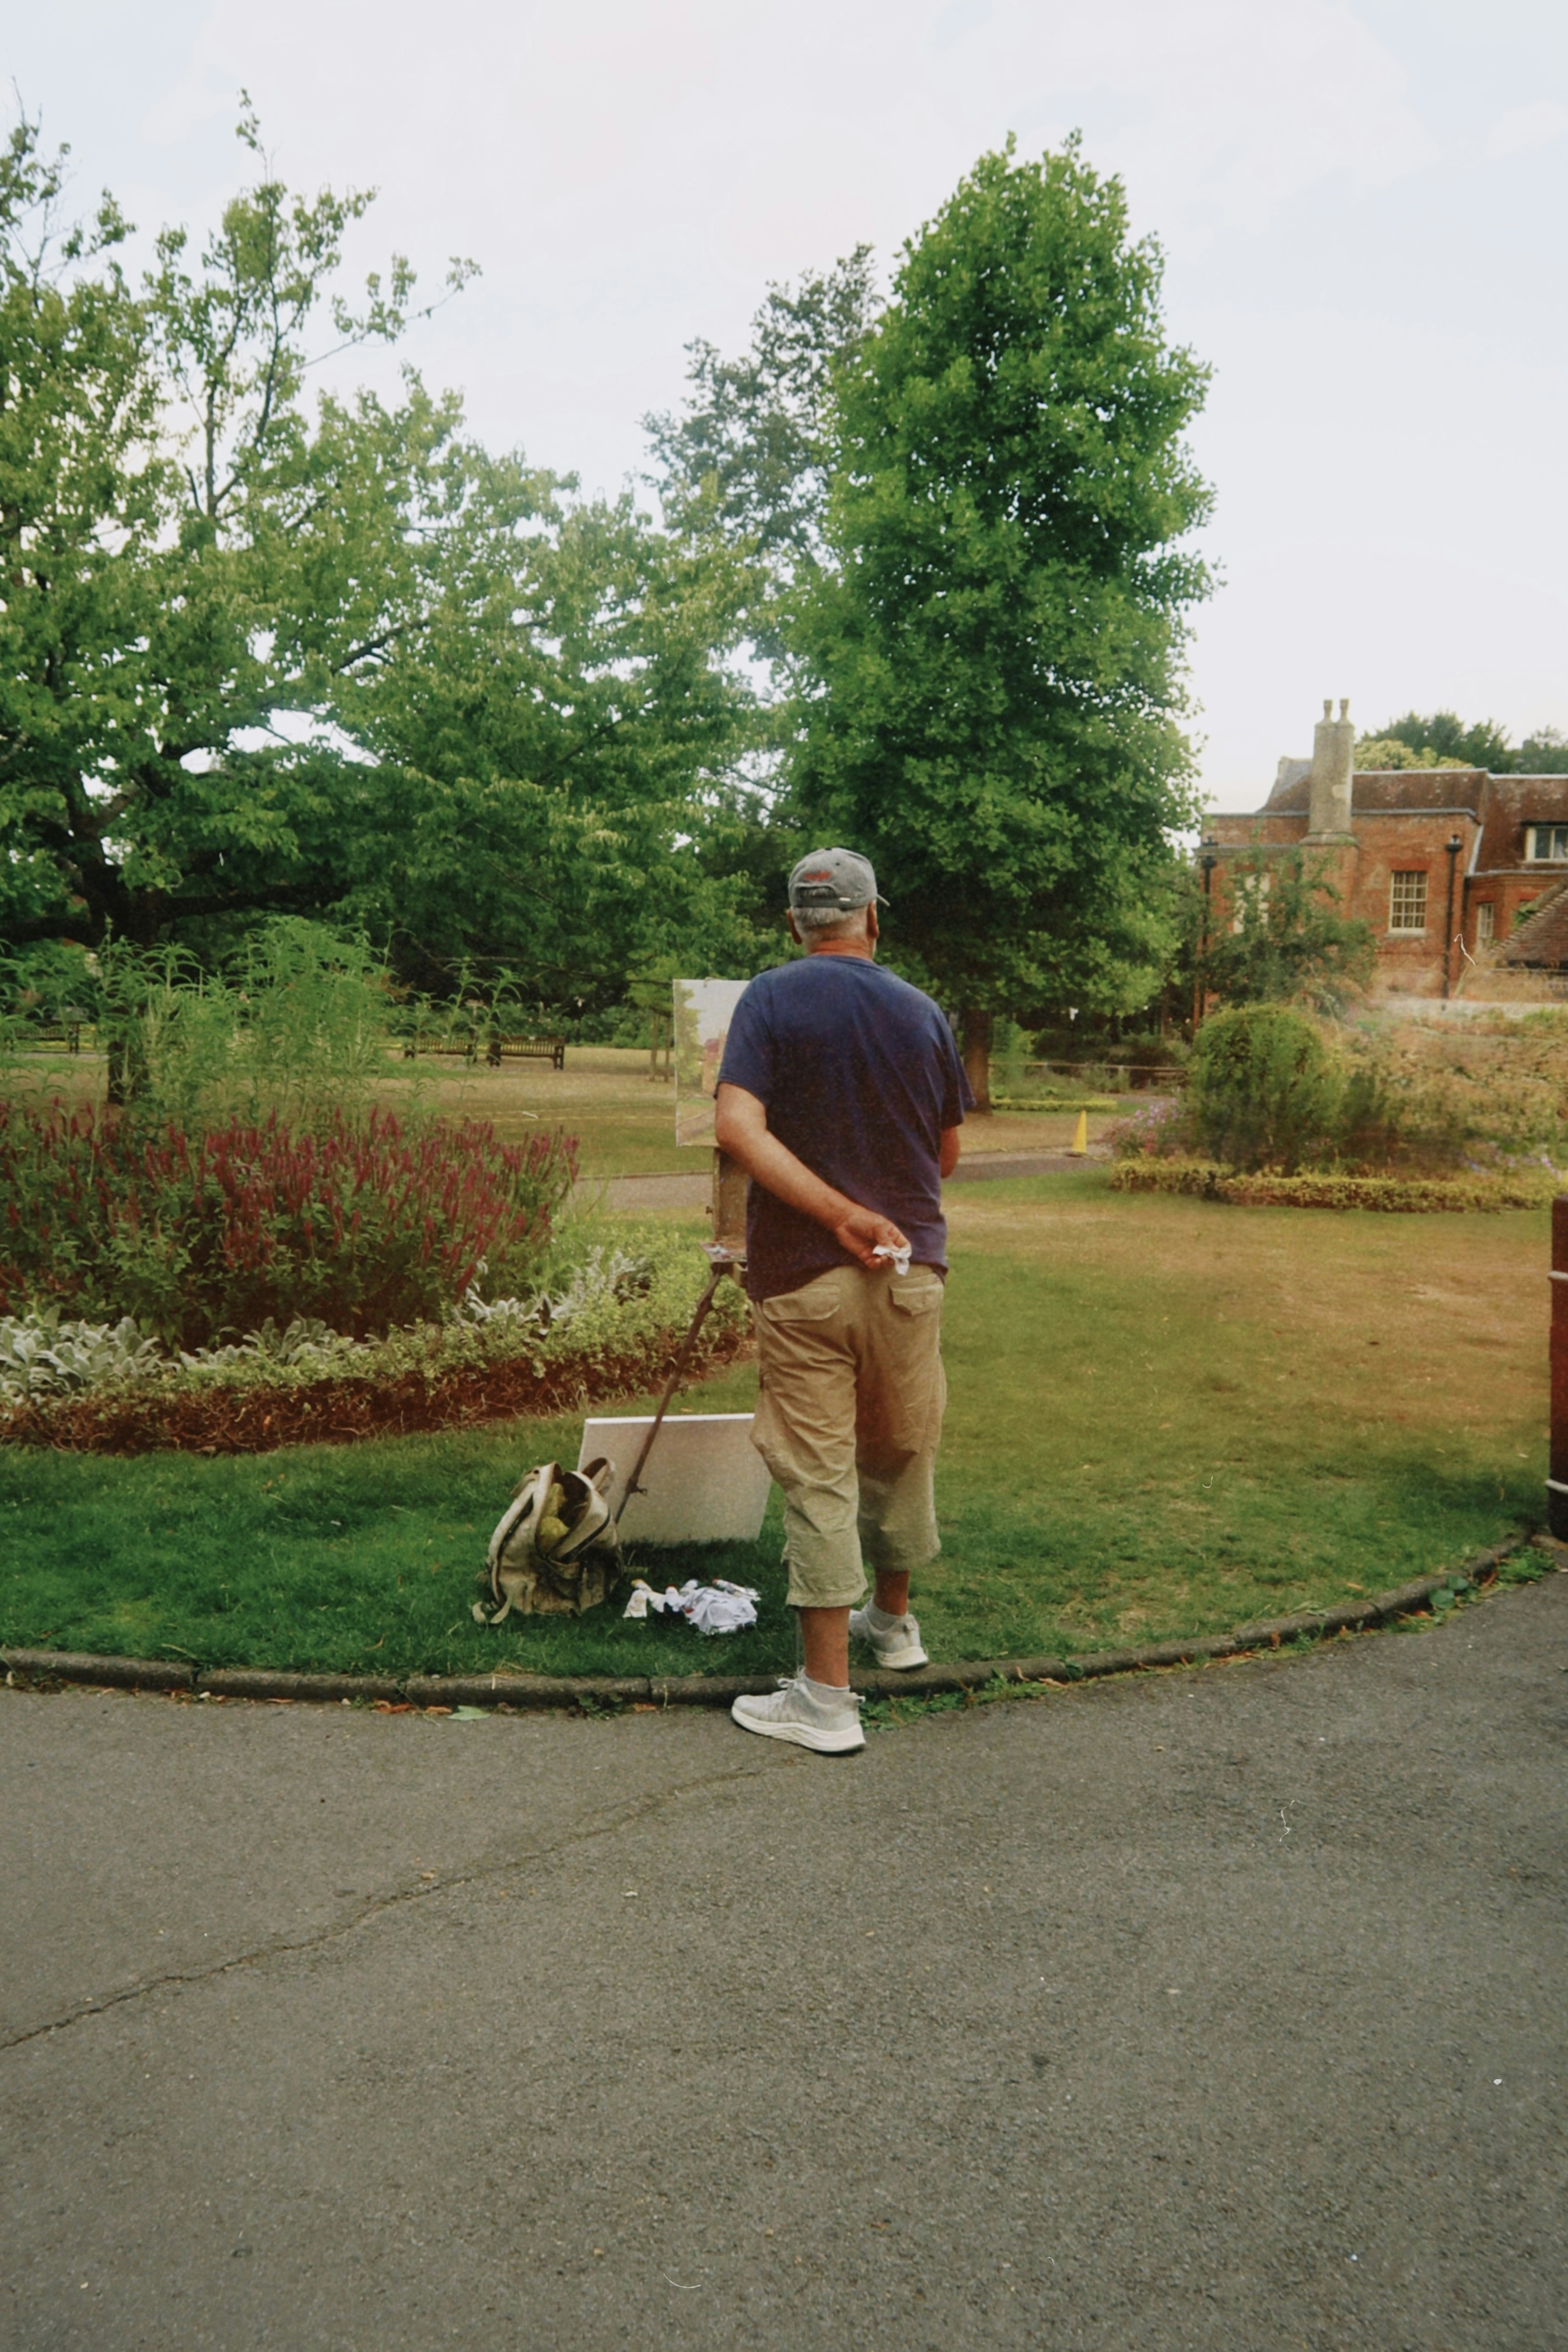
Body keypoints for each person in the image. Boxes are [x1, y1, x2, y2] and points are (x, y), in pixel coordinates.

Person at [714, 846, 972, 1755]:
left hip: (801, 1276)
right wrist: (873, 1205)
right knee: (903, 1445)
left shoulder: (770, 999)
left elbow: (736, 1126)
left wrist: (834, 1212)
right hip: (911, 1272)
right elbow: (943, 1157)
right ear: (873, 917)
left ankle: (824, 1701)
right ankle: (894, 1632)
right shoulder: (924, 1012)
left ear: (796, 924)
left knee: (819, 1467)